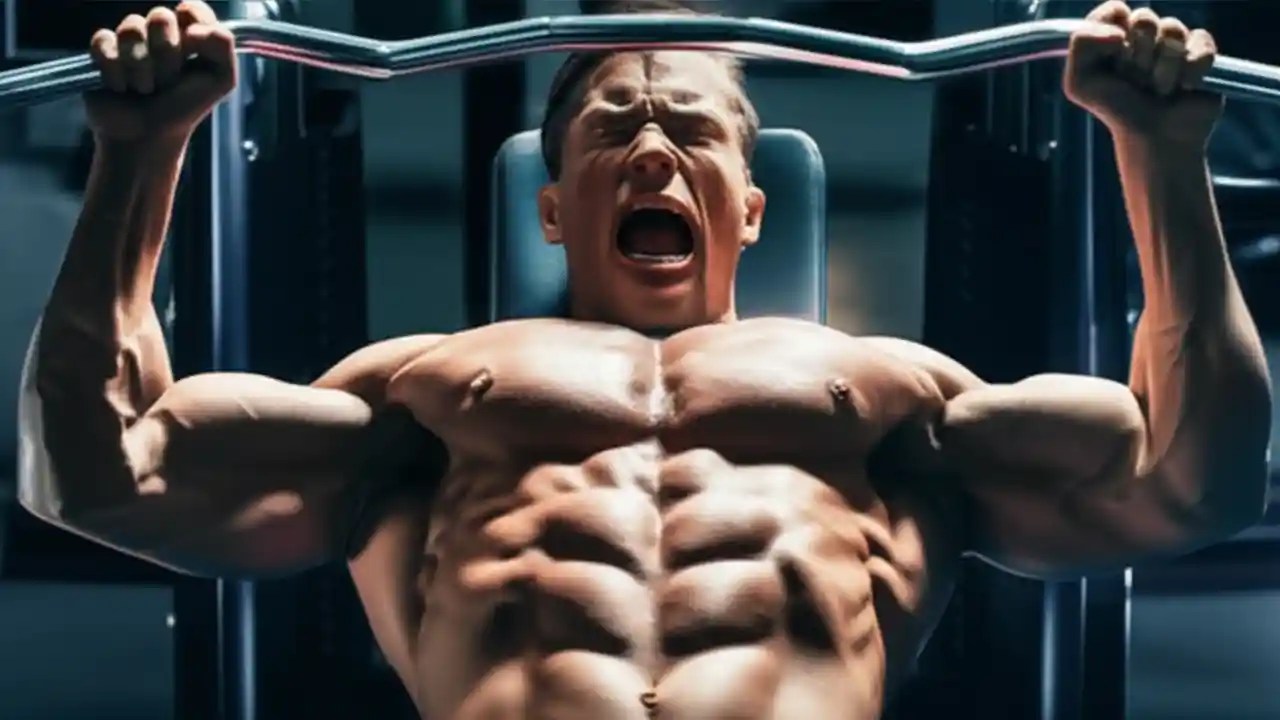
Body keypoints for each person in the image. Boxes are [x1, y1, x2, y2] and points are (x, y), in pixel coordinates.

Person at [18, 1, 1271, 717]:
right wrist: (144, 145)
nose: (655, 150)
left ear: (752, 202)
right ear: (555, 205)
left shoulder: (891, 394)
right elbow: (93, 471)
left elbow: (1188, 477)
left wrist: (1157, 152)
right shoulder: (422, 387)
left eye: (693, 130)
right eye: (614, 126)